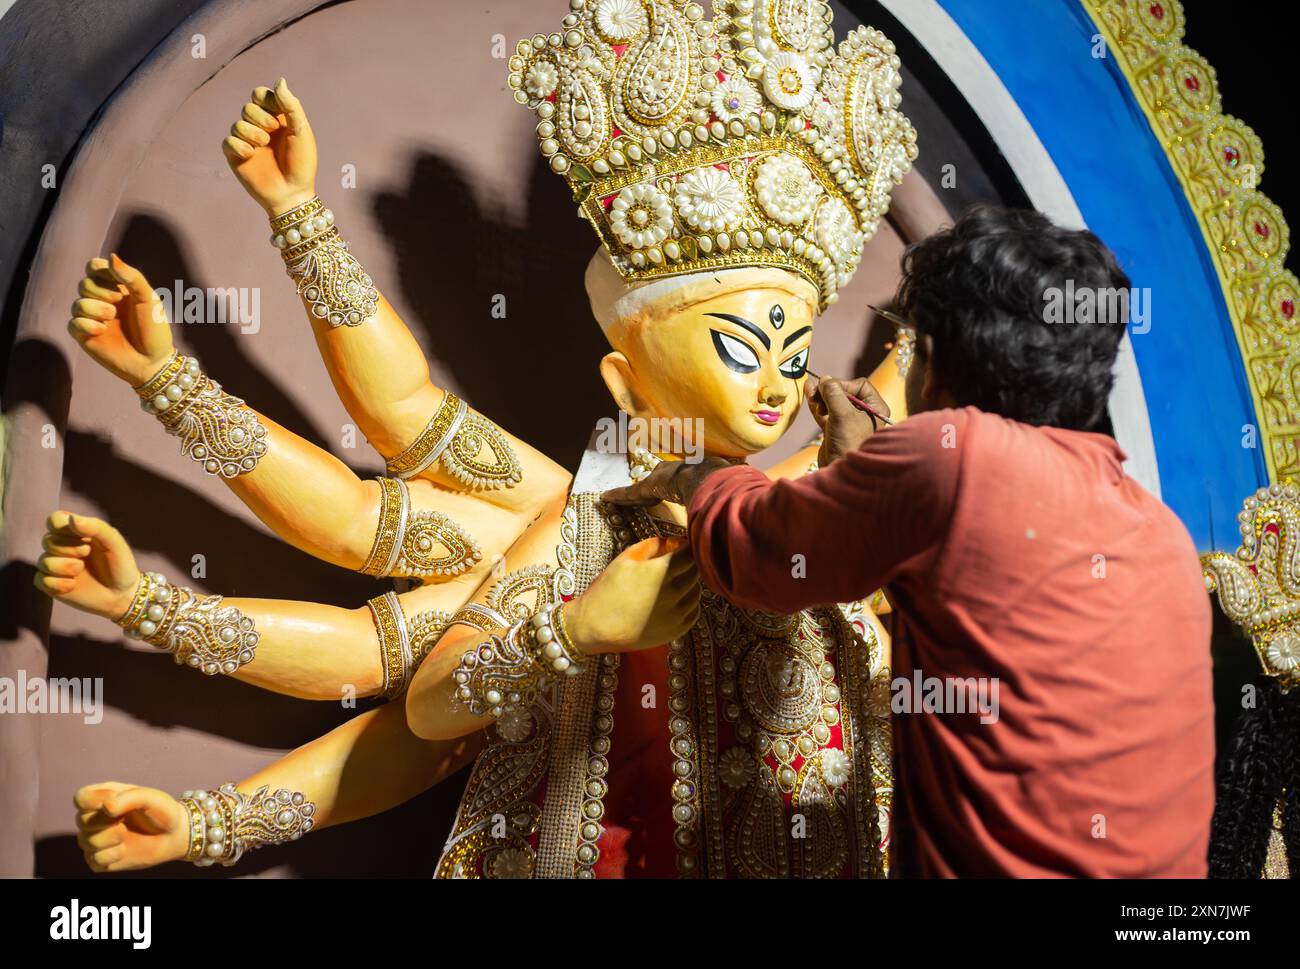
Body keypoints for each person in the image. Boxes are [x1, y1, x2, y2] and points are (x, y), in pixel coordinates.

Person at [607, 204, 1216, 877]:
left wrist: (702, 471)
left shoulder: (955, 462)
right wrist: (858, 473)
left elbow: (756, 551)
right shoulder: (1161, 531)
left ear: (938, 357)